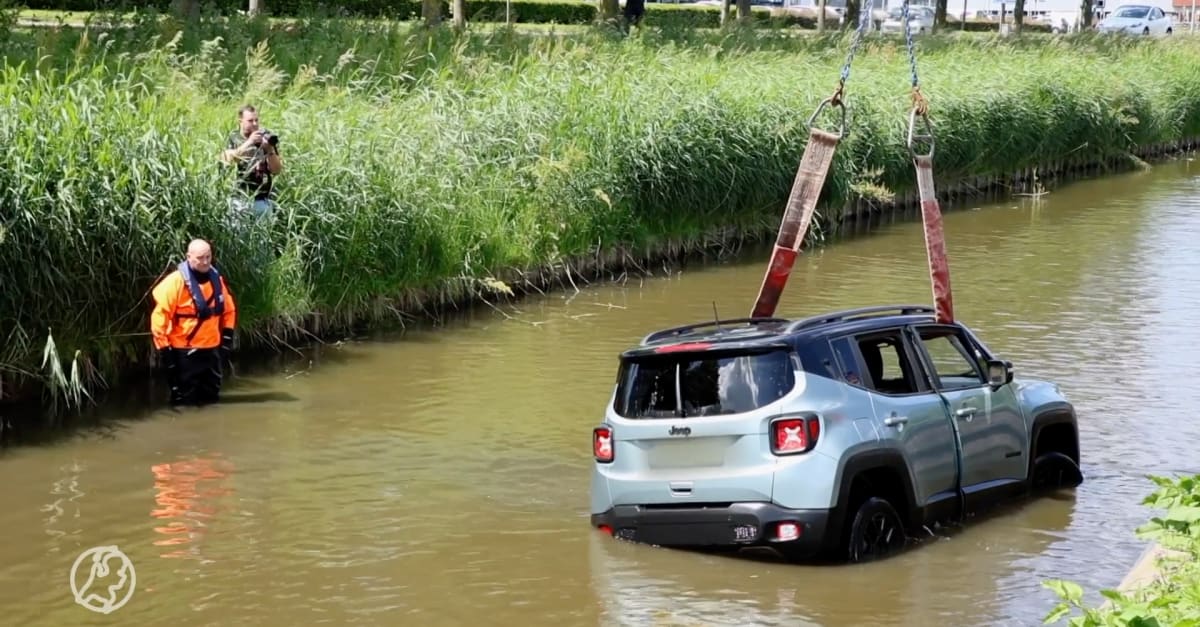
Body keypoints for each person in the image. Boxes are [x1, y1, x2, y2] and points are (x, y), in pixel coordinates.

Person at [150, 239, 238, 406]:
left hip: (211, 349)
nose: (205, 262)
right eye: (200, 258)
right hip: (185, 350)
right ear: (188, 257)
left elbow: (229, 310)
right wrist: (165, 350)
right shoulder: (175, 282)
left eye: (208, 257)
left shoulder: (216, 280)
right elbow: (159, 318)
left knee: (212, 397)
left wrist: (227, 338)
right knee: (184, 399)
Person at [221, 104, 283, 220]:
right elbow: (227, 159)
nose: (255, 124)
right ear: (241, 121)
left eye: (256, 120)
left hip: (262, 200)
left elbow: (277, 170)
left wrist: (269, 149)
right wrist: (249, 142)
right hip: (240, 199)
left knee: (264, 237)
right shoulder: (234, 138)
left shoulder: (265, 138)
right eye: (250, 121)